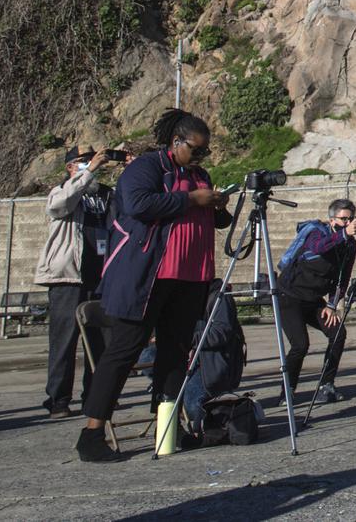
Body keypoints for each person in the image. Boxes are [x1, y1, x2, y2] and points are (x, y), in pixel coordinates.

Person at [76, 108, 231, 463]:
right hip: (148, 276)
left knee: (175, 353)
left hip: (190, 276)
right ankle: (92, 434)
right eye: (196, 149)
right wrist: (192, 199)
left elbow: (214, 219)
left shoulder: (199, 174)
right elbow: (138, 204)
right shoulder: (146, 167)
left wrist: (217, 204)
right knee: (123, 352)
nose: (202, 157)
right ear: (176, 143)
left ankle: (168, 431)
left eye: (206, 151)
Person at [35, 146, 114, 418]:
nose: (90, 164)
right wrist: (88, 171)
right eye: (82, 161)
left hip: (101, 278)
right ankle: (58, 400)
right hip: (68, 277)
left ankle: (96, 396)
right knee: (64, 342)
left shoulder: (104, 194)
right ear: (70, 167)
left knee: (101, 343)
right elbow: (58, 207)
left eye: (91, 160)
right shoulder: (62, 190)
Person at [275, 198, 356, 404]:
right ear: (332, 220)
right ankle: (287, 390)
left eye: (351, 219)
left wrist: (332, 304)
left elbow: (343, 277)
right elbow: (318, 248)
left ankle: (326, 384)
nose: (347, 223)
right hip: (290, 295)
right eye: (343, 219)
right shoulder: (317, 232)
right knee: (300, 345)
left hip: (314, 299)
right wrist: (343, 234)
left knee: (337, 332)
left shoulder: (350, 244)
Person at [181, 277, 246, 441]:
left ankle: (220, 411)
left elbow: (221, 333)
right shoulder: (184, 296)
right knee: (149, 356)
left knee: (194, 406)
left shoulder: (219, 297)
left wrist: (186, 338)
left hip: (211, 360)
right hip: (187, 354)